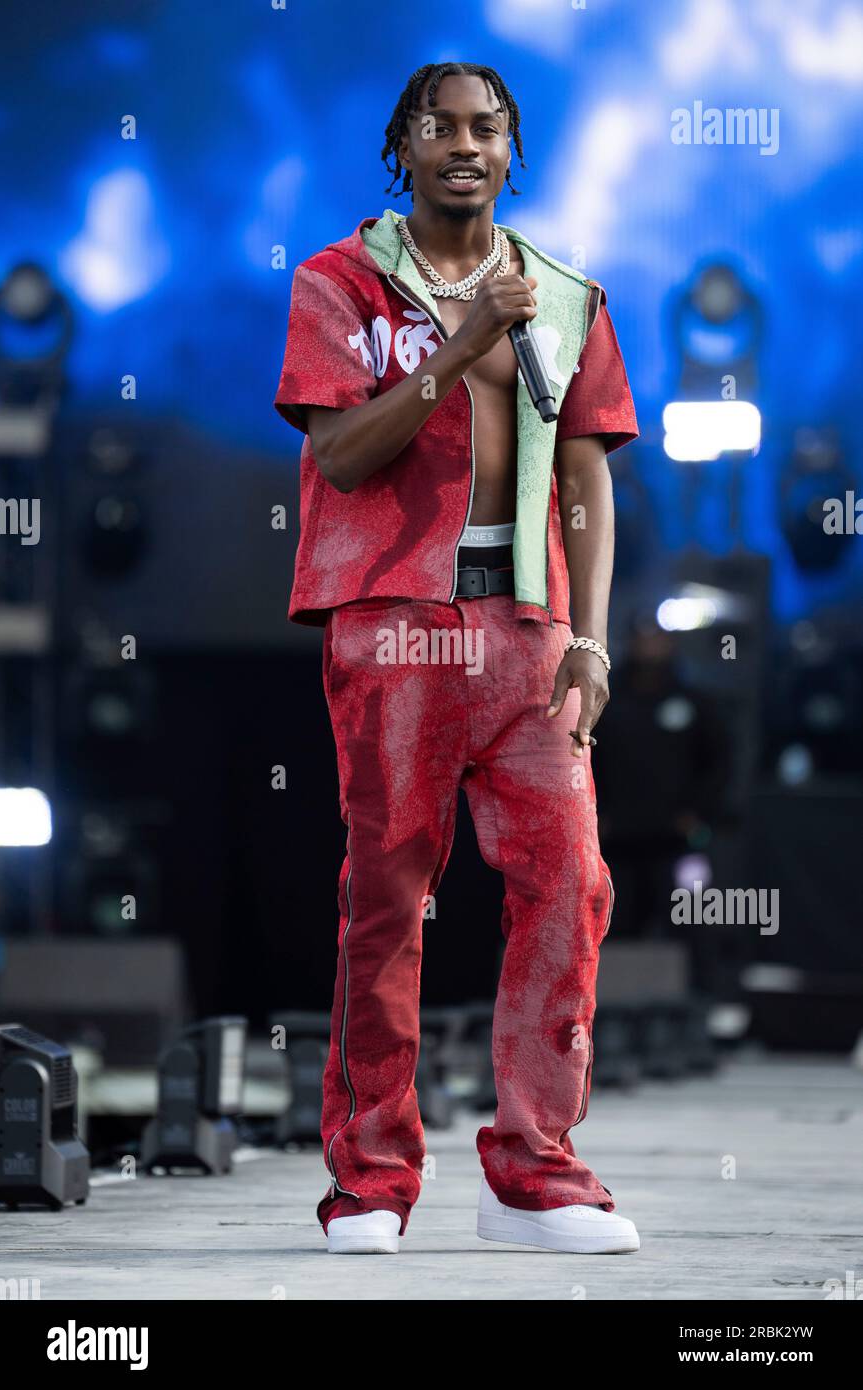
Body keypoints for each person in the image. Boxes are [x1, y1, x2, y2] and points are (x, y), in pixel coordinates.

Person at [273, 62, 640, 1255]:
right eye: (440, 128)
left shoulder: (568, 295)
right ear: (403, 148)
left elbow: (584, 477)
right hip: (391, 617)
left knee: (569, 883)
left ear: (512, 150)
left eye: (488, 129)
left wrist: (589, 635)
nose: (465, 147)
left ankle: (533, 1170)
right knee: (388, 888)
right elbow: (338, 457)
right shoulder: (337, 283)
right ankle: (368, 1180)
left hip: (526, 628)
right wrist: (458, 344)